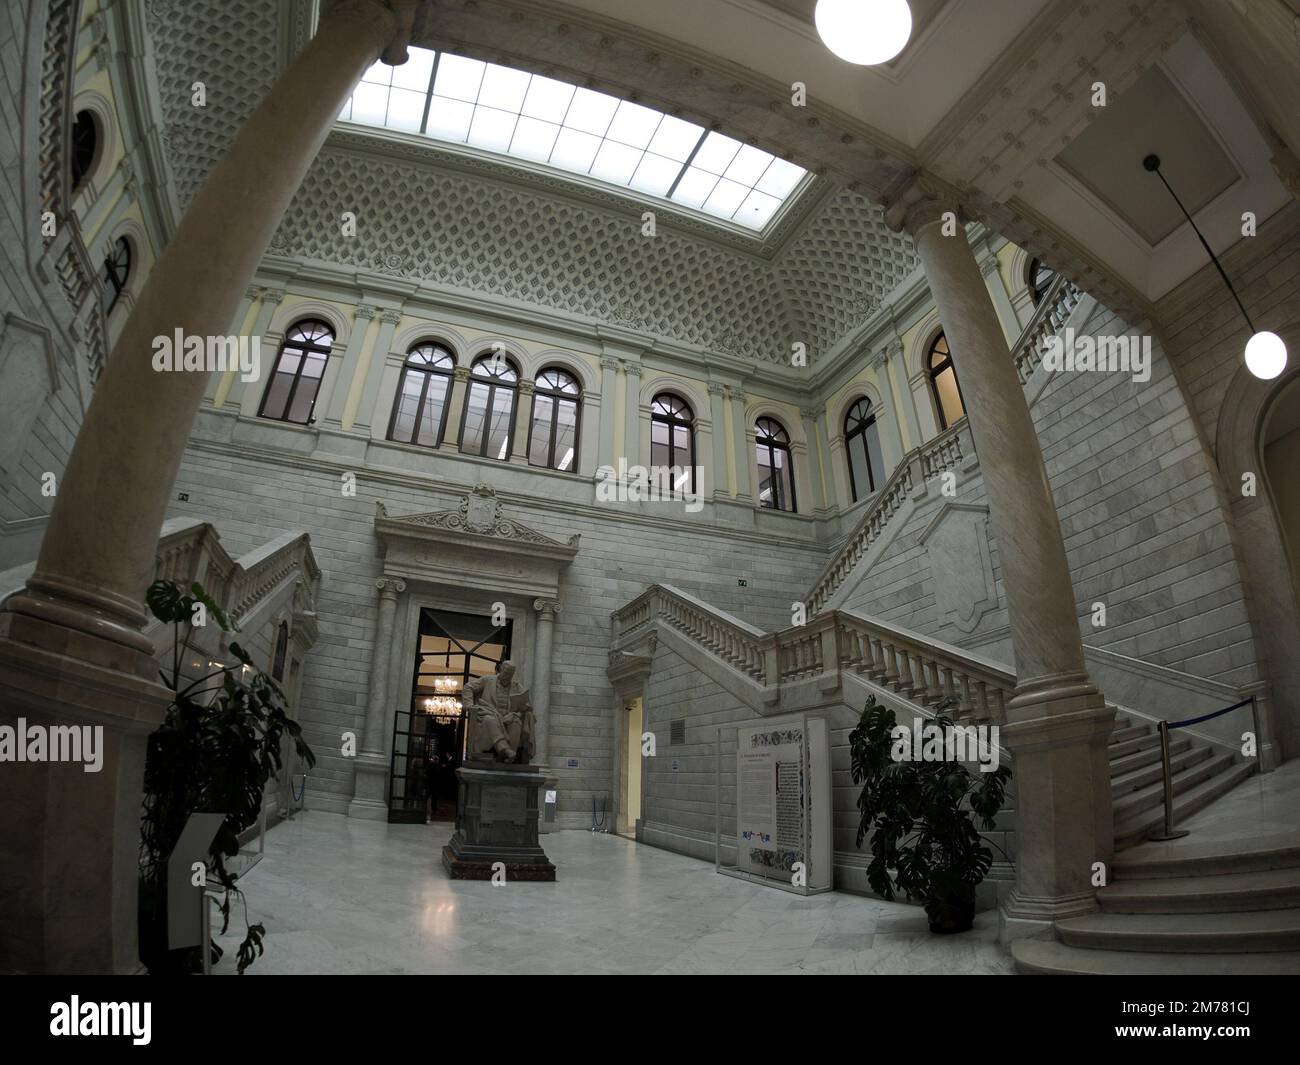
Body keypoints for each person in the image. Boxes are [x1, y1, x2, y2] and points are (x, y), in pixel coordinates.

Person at [462, 661, 534, 763]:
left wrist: (520, 711)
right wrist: (469, 705)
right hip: (489, 713)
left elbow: (527, 705)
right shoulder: (487, 680)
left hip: (508, 717)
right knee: (489, 720)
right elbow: (468, 687)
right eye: (506, 673)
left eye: (510, 675)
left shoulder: (516, 686)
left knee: (516, 722)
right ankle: (505, 749)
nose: (507, 677)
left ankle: (509, 757)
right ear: (500, 670)